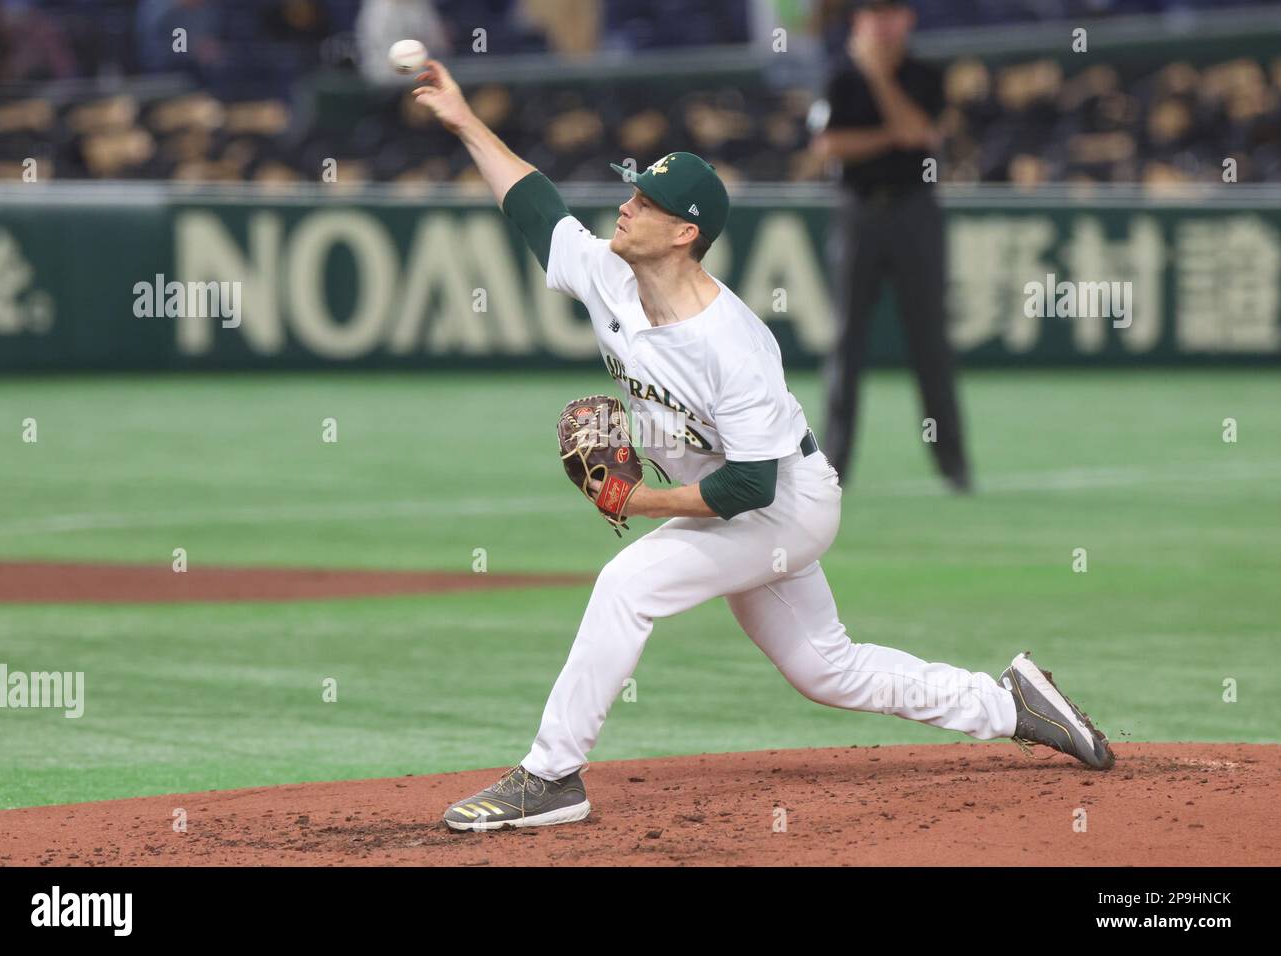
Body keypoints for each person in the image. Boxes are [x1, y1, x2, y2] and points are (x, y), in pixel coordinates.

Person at [411, 59, 1113, 830]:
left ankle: (551, 776)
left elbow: (749, 487)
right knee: (827, 670)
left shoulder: (733, 343)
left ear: (685, 233)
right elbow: (534, 204)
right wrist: (464, 121)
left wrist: (640, 500)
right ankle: (1010, 705)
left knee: (626, 585)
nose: (625, 206)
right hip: (746, 506)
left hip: (784, 505)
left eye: (645, 203)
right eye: (631, 190)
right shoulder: (608, 275)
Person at [813, 0, 970, 491]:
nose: (882, 24)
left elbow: (922, 134)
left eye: (891, 12)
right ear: (858, 22)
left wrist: (880, 79)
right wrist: (891, 135)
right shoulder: (840, 77)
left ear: (908, 19)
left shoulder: (925, 75)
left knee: (929, 342)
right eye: (872, 14)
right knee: (846, 343)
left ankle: (953, 466)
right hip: (858, 211)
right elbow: (828, 146)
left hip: (914, 211)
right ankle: (832, 468)